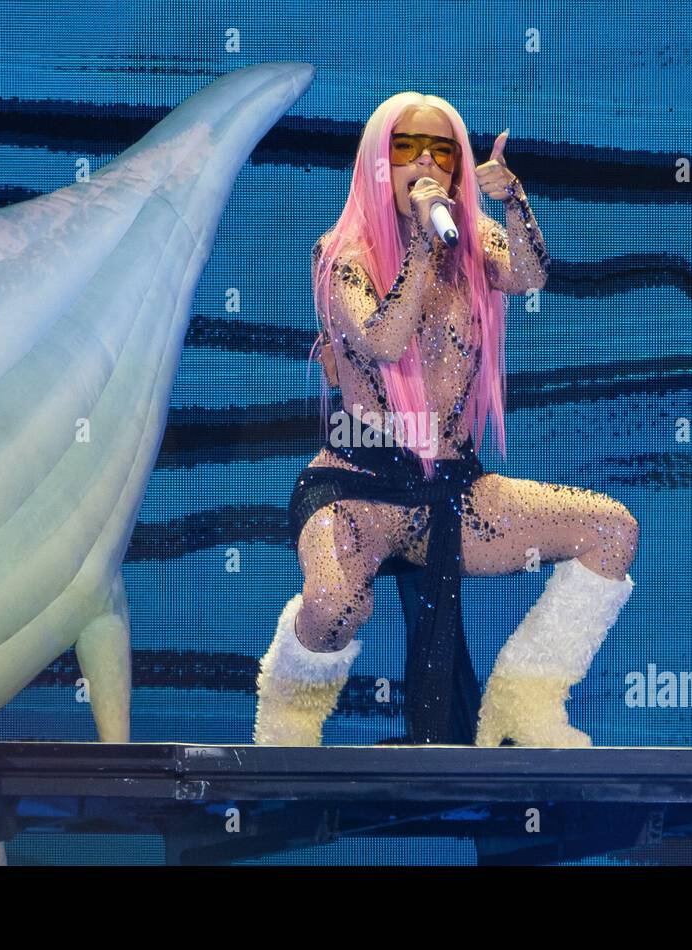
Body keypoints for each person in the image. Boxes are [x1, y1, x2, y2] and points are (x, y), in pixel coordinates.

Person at [253, 92, 639, 747]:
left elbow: (529, 274)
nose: (426, 161)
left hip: (450, 495)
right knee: (337, 604)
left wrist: (514, 203)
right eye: (408, 147)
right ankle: (288, 714)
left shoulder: (473, 242)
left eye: (442, 150)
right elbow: (383, 339)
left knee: (610, 531)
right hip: (355, 488)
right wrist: (425, 248)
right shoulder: (340, 253)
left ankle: (524, 705)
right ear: (379, 159)